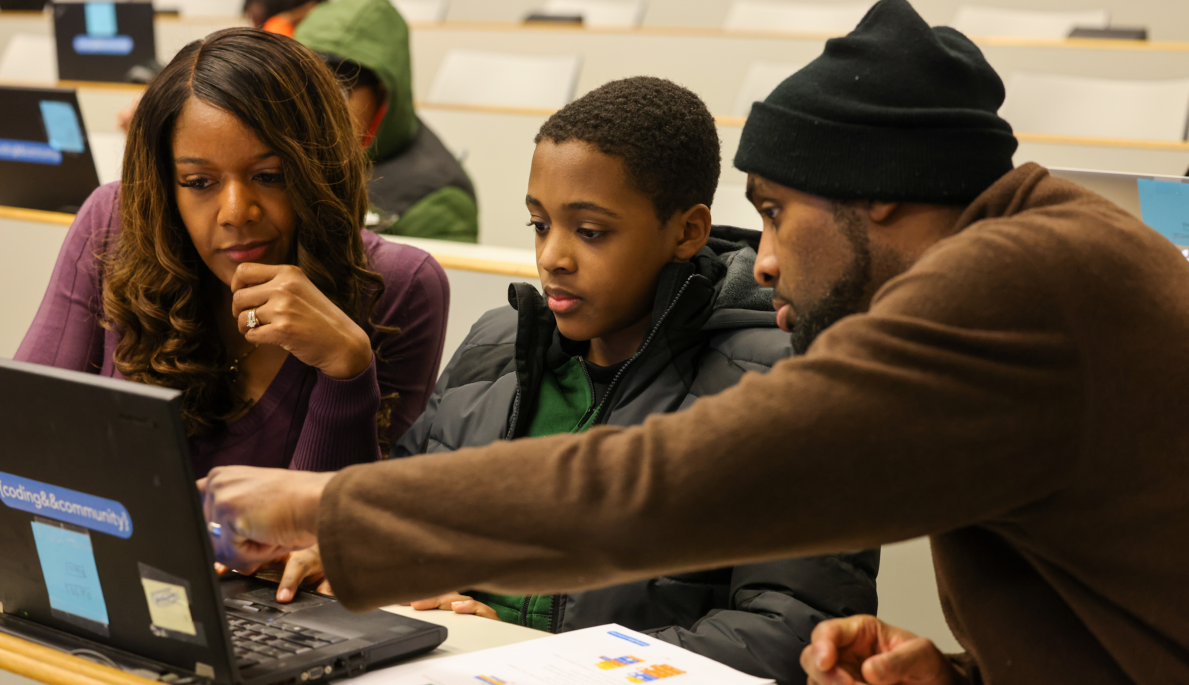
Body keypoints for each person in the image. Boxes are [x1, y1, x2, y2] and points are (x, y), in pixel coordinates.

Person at [199, 1, 1189, 683]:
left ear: (878, 191)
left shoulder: (1021, 280)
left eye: (774, 210)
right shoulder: (1049, 261)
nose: (757, 259)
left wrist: (332, 504)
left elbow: (667, 484)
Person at [276, 77, 878, 685]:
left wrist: (530, 655)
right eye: (540, 224)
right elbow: (401, 527)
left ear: (687, 231)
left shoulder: (784, 382)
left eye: (590, 232)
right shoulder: (497, 345)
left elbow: (793, 633)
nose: (552, 257)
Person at [19, 27, 449, 478]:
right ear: (167, 186)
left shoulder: (400, 286)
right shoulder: (114, 222)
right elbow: (25, 431)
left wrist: (346, 370)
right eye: (199, 183)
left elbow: (330, 533)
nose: (236, 212)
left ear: (320, 170)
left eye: (270, 175)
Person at [295, 0, 479, 242]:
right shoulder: (281, 159)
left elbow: (437, 280)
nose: (317, 111)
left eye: (337, 94)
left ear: (383, 91)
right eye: (303, 92)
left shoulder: (437, 202)